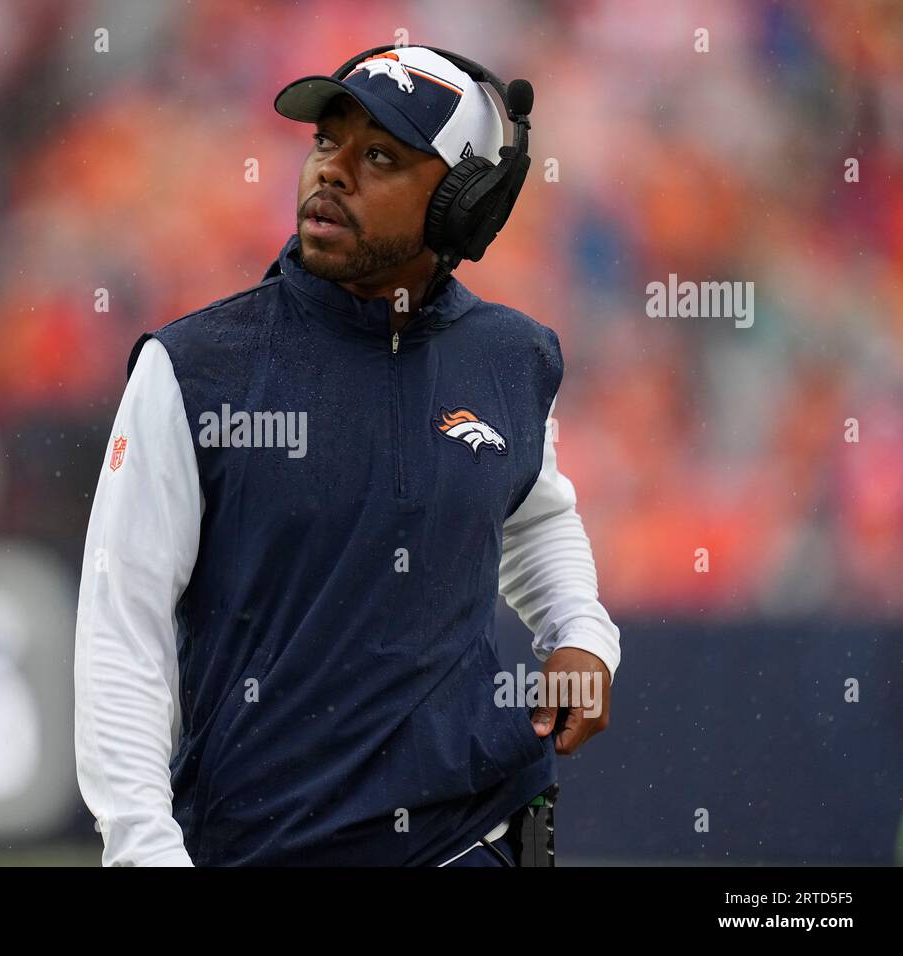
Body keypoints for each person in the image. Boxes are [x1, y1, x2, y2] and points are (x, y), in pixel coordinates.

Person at [74, 45, 620, 866]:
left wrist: (579, 631)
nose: (331, 172)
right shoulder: (194, 368)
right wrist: (144, 848)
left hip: (472, 838)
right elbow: (123, 631)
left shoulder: (514, 357)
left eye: (379, 157)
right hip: (264, 846)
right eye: (328, 143)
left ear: (462, 204)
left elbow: (534, 516)